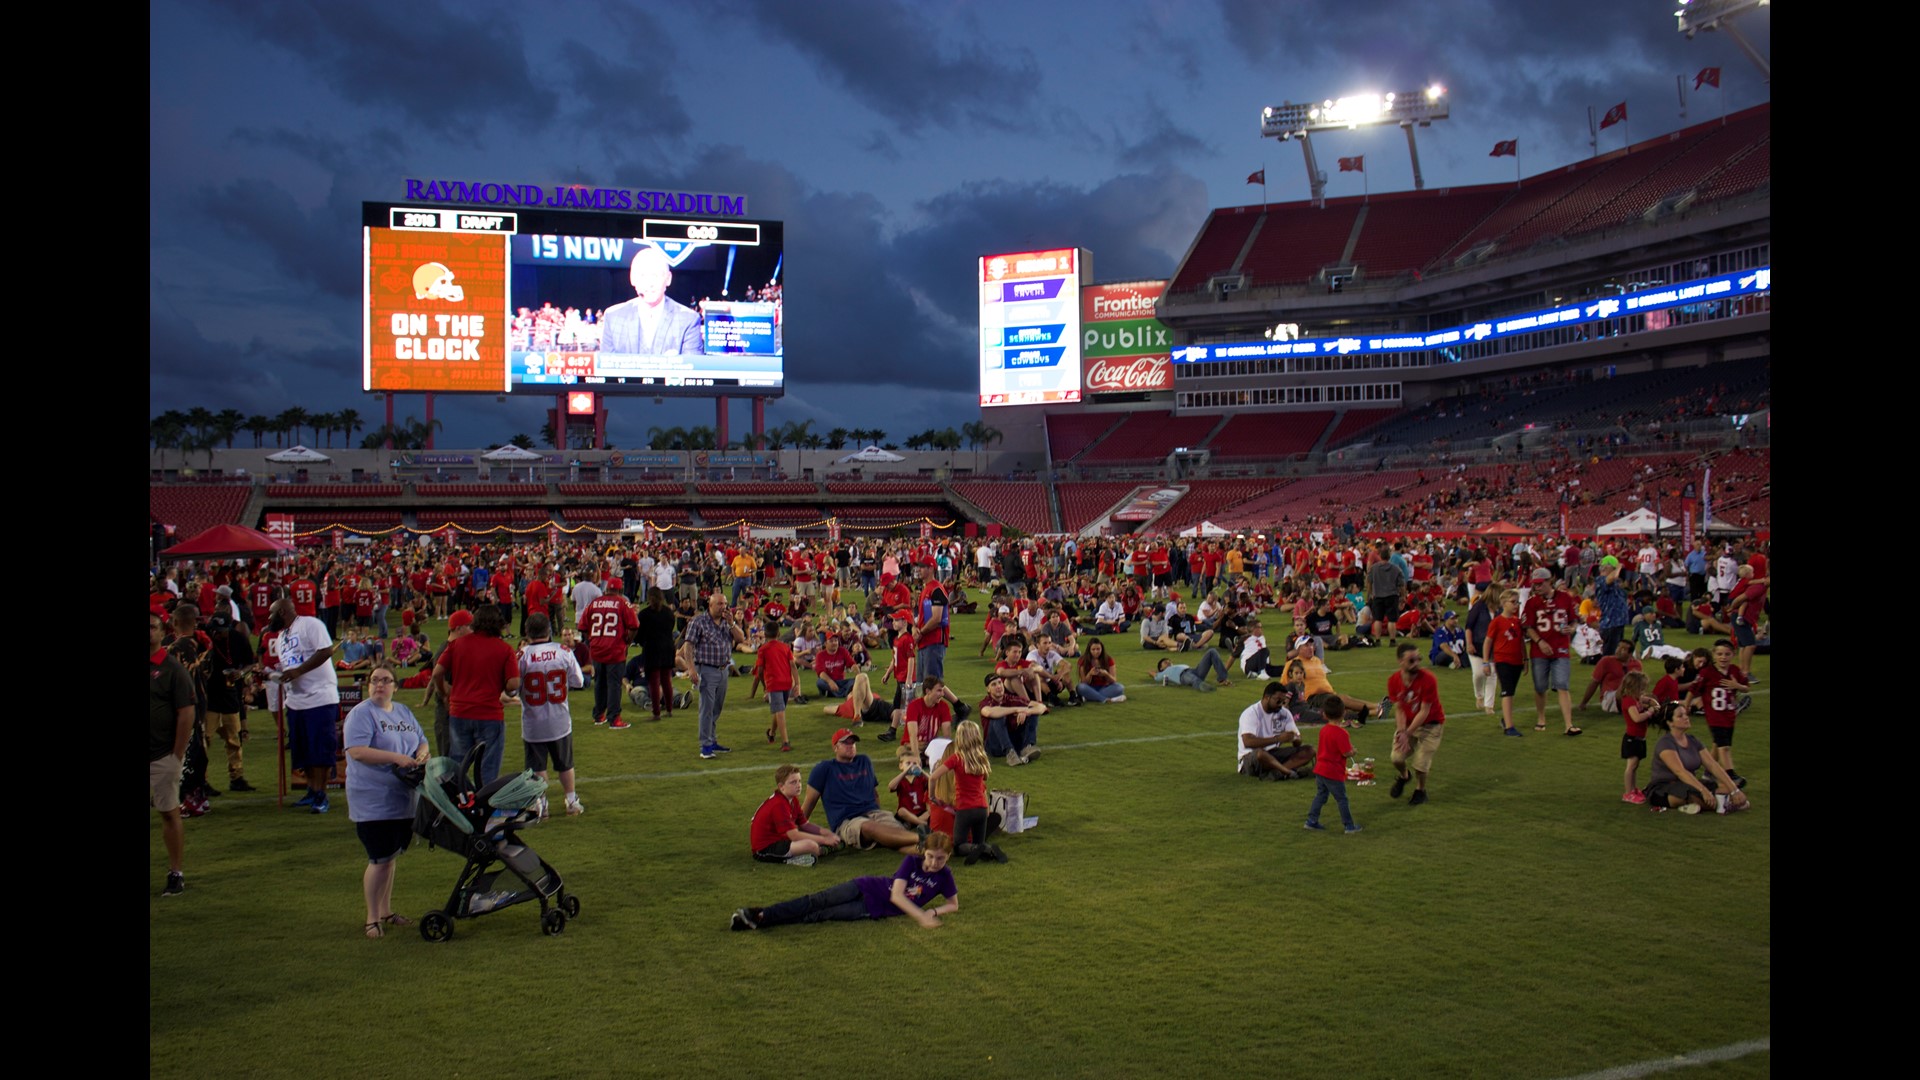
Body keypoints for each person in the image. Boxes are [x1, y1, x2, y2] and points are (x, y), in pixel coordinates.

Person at [342, 663, 430, 937]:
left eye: (386, 680)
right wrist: (396, 758)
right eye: (375, 680)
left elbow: (422, 740)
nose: (379, 684)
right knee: (379, 859)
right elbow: (357, 751)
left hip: (402, 798)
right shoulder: (361, 714)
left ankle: (386, 911)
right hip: (373, 799)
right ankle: (372, 918)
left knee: (390, 858)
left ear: (395, 686)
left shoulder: (402, 711)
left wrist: (422, 754)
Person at [731, 831, 957, 931]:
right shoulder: (912, 861)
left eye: (941, 858)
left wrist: (933, 911)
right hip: (866, 885)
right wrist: (920, 916)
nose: (934, 862)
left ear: (948, 857)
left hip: (872, 907)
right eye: (931, 856)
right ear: (923, 852)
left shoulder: (945, 876)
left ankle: (760, 920)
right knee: (817, 900)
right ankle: (762, 914)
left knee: (821, 914)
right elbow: (897, 895)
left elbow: (953, 904)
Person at [431, 603, 521, 787]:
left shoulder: (457, 644)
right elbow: (513, 684)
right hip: (489, 713)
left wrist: (444, 692)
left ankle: (455, 800)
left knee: (457, 765)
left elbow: (437, 673)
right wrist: (505, 688)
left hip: (460, 712)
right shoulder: (504, 649)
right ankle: (483, 802)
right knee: (488, 768)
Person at [268, 595, 342, 814]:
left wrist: (299, 671)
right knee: (303, 751)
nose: (269, 618)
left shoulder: (310, 624)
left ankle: (321, 794)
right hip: (296, 700)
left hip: (319, 697)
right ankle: (312, 789)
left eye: (272, 613)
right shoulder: (281, 636)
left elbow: (326, 651)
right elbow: (289, 664)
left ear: (282, 612)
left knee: (319, 750)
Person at [801, 729, 923, 851]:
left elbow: (874, 793)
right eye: (845, 743)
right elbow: (810, 801)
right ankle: (922, 838)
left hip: (873, 813)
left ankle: (926, 849)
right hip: (847, 821)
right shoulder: (824, 769)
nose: (850, 746)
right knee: (870, 827)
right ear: (835, 747)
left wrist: (878, 813)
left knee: (896, 835)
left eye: (853, 742)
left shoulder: (864, 761)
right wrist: (797, 828)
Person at [517, 614, 587, 817]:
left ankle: (541, 803)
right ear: (549, 630)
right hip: (559, 719)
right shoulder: (563, 651)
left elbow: (512, 688)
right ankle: (571, 800)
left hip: (533, 721)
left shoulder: (522, 655)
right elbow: (578, 681)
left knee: (537, 766)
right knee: (565, 763)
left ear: (527, 632)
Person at [152, 609, 195, 897]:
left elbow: (186, 713)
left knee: (169, 813)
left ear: (162, 632)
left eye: (152, 627)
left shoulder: (172, 668)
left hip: (161, 754)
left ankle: (176, 872)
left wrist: (176, 756)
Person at [1642, 702, 1752, 814]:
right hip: (1665, 787)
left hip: (1689, 783)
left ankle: (1718, 804)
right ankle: (1720, 804)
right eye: (1680, 716)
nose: (1686, 717)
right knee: (1697, 797)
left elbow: (1712, 765)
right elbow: (1680, 772)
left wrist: (1734, 790)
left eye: (1685, 714)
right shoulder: (1665, 743)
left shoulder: (1693, 740)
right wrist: (1703, 790)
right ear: (1670, 723)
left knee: (1725, 788)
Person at [599, 245, 704, 355]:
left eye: (655, 276)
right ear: (632, 279)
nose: (649, 284)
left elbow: (692, 365)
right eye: (643, 276)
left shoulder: (688, 320)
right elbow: (606, 364)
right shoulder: (613, 317)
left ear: (668, 279)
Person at [928, 721, 1007, 864]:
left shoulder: (956, 758)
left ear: (959, 738)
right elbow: (983, 782)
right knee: (979, 842)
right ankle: (988, 850)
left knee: (959, 846)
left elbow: (933, 777)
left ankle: (979, 849)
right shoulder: (982, 758)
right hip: (981, 807)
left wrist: (932, 795)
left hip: (965, 808)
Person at [682, 594, 744, 760]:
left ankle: (712, 739)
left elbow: (741, 639)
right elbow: (688, 646)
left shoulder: (726, 622)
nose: (723, 607)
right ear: (710, 605)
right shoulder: (699, 622)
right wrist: (691, 669)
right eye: (719, 604)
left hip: (723, 669)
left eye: (725, 603)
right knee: (707, 708)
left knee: (717, 707)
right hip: (706, 669)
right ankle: (705, 746)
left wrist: (732, 623)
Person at [1682, 640, 1751, 788]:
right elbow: (1693, 690)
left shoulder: (1734, 670)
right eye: (1719, 654)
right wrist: (1686, 706)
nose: (1723, 657)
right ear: (1713, 655)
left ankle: (1708, 774)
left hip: (1729, 715)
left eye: (1727, 654)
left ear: (1733, 655)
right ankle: (1730, 775)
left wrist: (1737, 686)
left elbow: (1746, 687)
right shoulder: (1707, 672)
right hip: (1714, 717)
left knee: (1717, 745)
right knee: (1724, 747)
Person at [201, 613, 257, 792]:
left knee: (234, 739)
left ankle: (237, 777)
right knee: (204, 740)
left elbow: (250, 663)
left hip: (230, 695)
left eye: (221, 631)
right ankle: (201, 780)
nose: (217, 634)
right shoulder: (204, 638)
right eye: (215, 631)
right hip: (209, 697)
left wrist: (241, 673)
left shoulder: (237, 638)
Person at [1522, 568, 1580, 736]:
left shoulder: (1565, 598)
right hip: (1539, 651)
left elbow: (1574, 620)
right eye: (1535, 584)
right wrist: (1540, 642)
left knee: (1562, 685)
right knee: (1540, 687)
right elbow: (1528, 627)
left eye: (1540, 584)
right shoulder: (1532, 602)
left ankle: (1568, 724)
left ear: (1550, 581)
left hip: (1560, 649)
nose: (1537, 587)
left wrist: (1572, 628)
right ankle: (1541, 718)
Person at [1387, 643, 1445, 806]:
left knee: (1420, 764)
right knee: (1396, 758)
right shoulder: (1393, 681)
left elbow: (1424, 711)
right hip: (1408, 724)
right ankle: (1404, 776)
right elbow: (1399, 708)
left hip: (1431, 725)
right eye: (1411, 660)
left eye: (1418, 659)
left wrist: (1407, 733)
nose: (1417, 663)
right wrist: (1401, 732)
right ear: (1400, 661)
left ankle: (1420, 790)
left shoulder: (1428, 679)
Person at [750, 764, 842, 865]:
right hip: (765, 849)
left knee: (815, 838)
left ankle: (822, 849)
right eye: (793, 782)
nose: (798, 785)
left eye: (799, 781)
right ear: (781, 787)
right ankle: (800, 857)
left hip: (780, 840)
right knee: (811, 845)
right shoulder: (779, 805)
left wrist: (828, 833)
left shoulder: (792, 799)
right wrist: (824, 840)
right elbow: (794, 835)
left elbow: (805, 825)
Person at [578, 579, 637, 730]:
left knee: (599, 683)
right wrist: (627, 641)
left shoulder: (594, 603)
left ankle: (599, 715)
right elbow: (634, 625)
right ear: (620, 589)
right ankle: (614, 718)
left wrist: (591, 640)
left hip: (597, 649)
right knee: (614, 684)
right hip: (615, 649)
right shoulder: (622, 603)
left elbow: (582, 626)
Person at [1303, 698, 1361, 833]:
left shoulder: (1324, 730)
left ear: (1325, 714)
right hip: (1333, 772)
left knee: (1321, 795)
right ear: (1343, 713)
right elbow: (1346, 752)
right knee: (1342, 799)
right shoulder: (1341, 733)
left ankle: (1311, 820)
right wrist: (1353, 751)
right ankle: (1349, 826)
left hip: (1320, 770)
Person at [1236, 680, 1312, 781]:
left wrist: (1295, 739)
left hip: (1273, 753)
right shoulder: (1251, 713)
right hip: (1250, 757)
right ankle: (1288, 772)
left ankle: (1278, 773)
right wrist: (1278, 739)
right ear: (1267, 697)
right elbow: (1248, 742)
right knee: (1260, 753)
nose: (1281, 704)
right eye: (1278, 701)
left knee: (1309, 750)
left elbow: (1297, 740)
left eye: (1283, 701)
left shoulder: (1285, 713)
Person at [1482, 593, 1527, 738]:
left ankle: (1506, 719)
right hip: (1503, 660)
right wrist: (1485, 662)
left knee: (1510, 691)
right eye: (1513, 602)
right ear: (1503, 603)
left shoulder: (1517, 622)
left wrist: (1525, 659)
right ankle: (1509, 727)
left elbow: (1521, 641)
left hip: (1516, 660)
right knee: (1507, 691)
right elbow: (1488, 641)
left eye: (1517, 602)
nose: (1516, 605)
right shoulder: (1497, 622)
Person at [976, 673, 1044, 767]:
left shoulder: (1010, 699)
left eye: (1000, 683)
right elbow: (988, 712)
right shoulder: (985, 702)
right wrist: (1017, 710)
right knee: (998, 716)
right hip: (994, 746)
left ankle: (1028, 747)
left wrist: (1026, 711)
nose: (998, 686)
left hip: (1014, 742)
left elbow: (1041, 707)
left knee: (1032, 712)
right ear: (988, 689)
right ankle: (1009, 752)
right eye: (994, 684)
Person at [754, 617, 797, 752]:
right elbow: (793, 665)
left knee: (779, 711)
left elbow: (760, 670)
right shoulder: (785, 647)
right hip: (787, 682)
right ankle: (779, 737)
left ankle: (780, 739)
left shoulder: (763, 649)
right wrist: (796, 682)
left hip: (773, 684)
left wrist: (764, 685)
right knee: (780, 710)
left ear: (765, 634)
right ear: (778, 633)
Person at [636, 589, 678, 719]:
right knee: (666, 680)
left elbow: (639, 634)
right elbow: (671, 628)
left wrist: (643, 642)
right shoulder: (669, 613)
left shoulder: (644, 614)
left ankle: (656, 712)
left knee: (653, 681)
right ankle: (669, 709)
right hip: (667, 648)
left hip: (652, 648)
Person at [1617, 671, 1655, 805]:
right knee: (1631, 766)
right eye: (1641, 689)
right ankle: (1628, 793)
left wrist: (1649, 701)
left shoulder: (1635, 699)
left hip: (1639, 737)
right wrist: (1650, 712)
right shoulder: (1628, 701)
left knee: (1635, 765)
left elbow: (1645, 700)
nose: (1643, 692)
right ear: (1634, 688)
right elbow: (1636, 718)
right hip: (1632, 738)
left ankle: (1633, 789)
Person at [911, 556, 950, 682]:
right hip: (925, 641)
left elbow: (937, 618)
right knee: (922, 684)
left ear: (931, 568)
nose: (919, 570)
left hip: (934, 642)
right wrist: (914, 628)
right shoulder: (926, 588)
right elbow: (922, 616)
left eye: (922, 567)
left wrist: (920, 632)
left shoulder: (936, 589)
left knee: (932, 683)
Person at [1579, 639, 1643, 713]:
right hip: (1609, 697)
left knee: (1646, 694)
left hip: (1629, 695)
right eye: (1618, 647)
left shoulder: (1637, 665)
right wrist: (1584, 703)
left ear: (1630, 654)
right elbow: (1594, 682)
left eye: (1623, 649)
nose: (1618, 651)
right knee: (1627, 681)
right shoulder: (1606, 661)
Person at [1076, 638, 1127, 703]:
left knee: (1120, 687)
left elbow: (1114, 680)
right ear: (1089, 650)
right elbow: (1084, 682)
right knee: (1080, 687)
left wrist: (1106, 674)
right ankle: (1106, 699)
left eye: (1098, 649)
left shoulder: (1108, 659)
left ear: (1102, 649)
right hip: (1089, 687)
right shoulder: (1083, 660)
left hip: (1104, 688)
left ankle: (1089, 697)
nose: (1096, 652)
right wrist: (1090, 674)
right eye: (1093, 649)